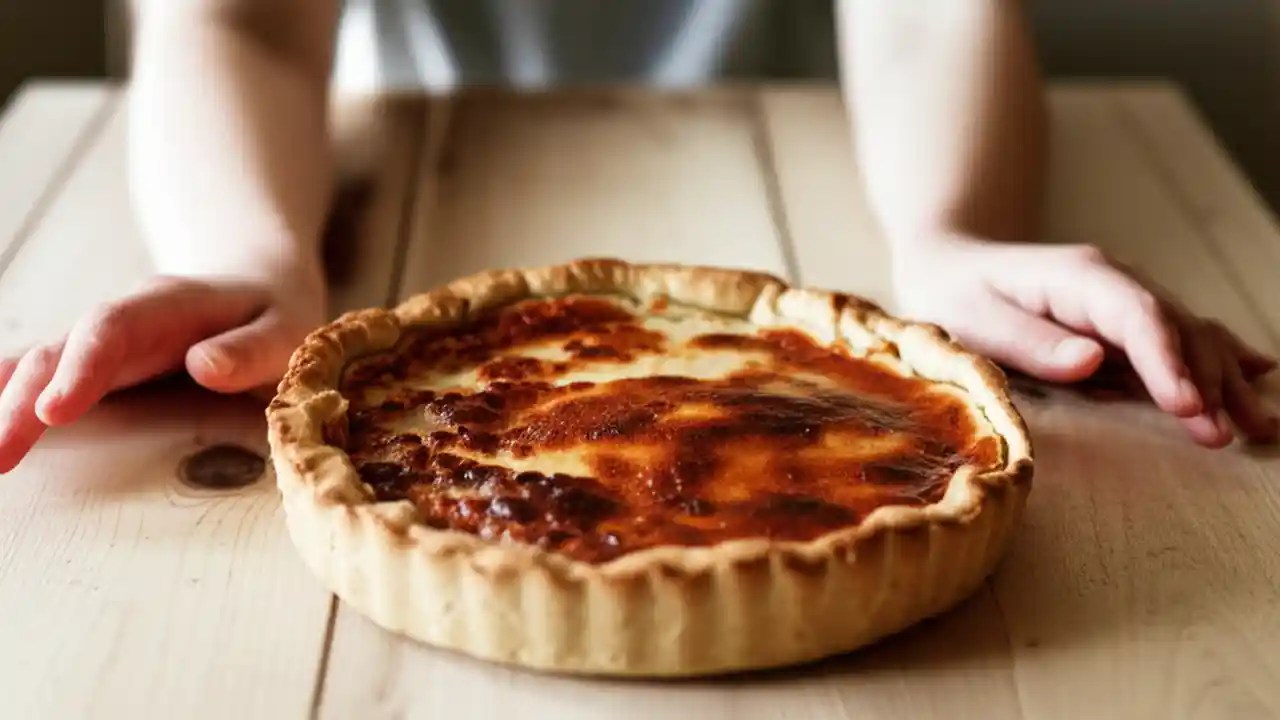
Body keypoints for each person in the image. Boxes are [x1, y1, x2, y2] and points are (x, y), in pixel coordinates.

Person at [0, 0, 1274, 474]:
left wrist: (950, 237)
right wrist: (250, 257)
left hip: (818, 152)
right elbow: (244, 22)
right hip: (371, 163)